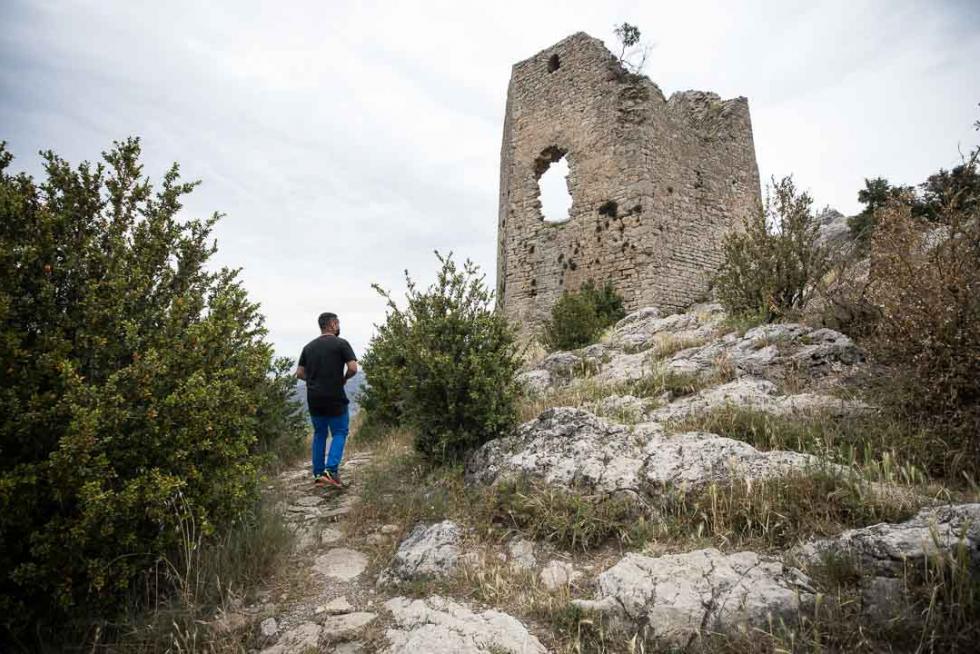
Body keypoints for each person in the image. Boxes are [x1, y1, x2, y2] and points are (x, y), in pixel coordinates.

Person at [296, 312, 358, 488]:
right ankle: (330, 471)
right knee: (340, 431)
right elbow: (353, 368)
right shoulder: (341, 344)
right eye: (337, 323)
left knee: (320, 433)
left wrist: (314, 380)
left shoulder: (308, 347)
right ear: (332, 324)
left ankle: (318, 475)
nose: (338, 326)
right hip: (334, 396)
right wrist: (344, 378)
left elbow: (299, 373)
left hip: (314, 398)